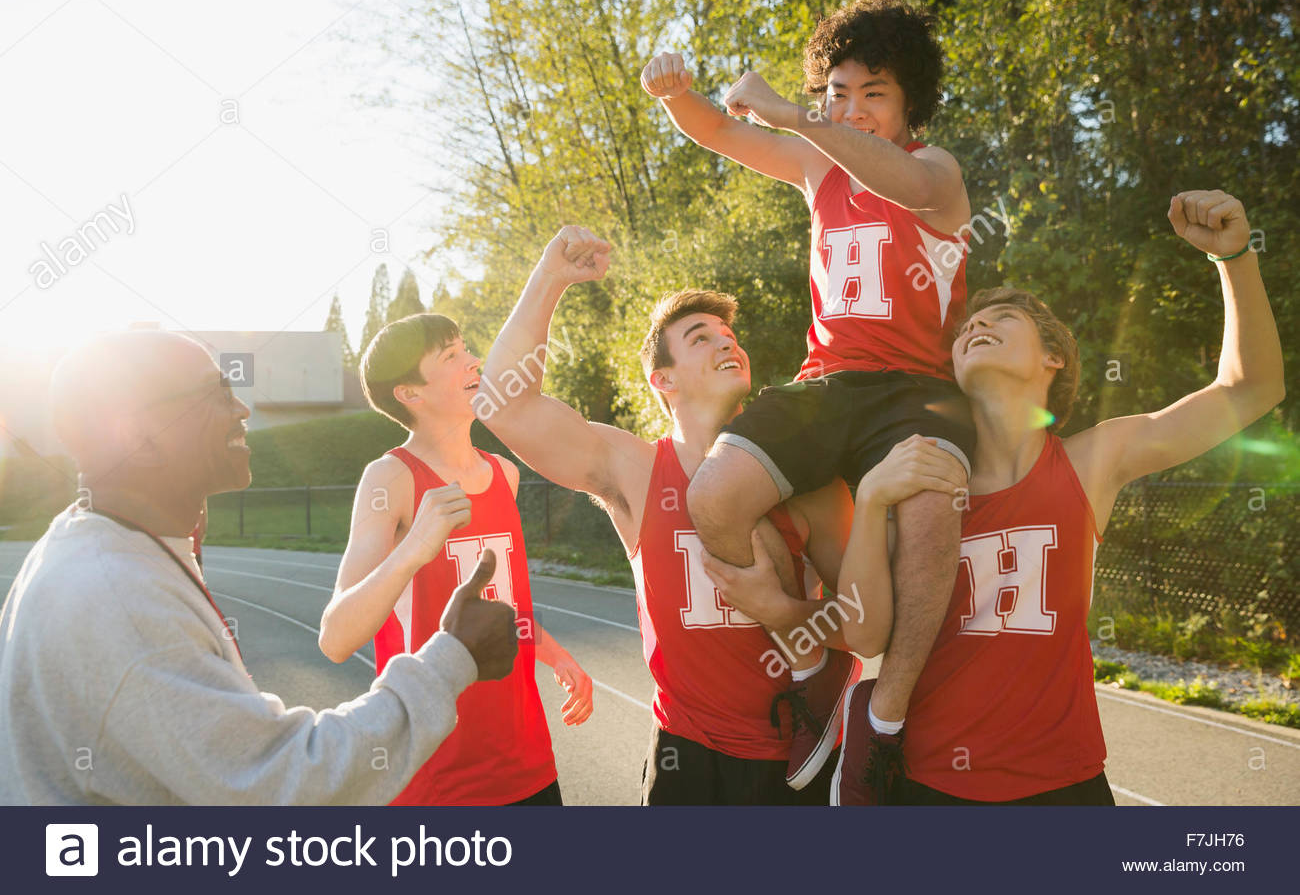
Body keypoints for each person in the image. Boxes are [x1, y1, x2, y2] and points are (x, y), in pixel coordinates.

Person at [705, 189, 1284, 804]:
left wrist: (1235, 258)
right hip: (923, 782)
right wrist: (872, 501)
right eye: (968, 326)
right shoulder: (914, 477)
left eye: (1003, 319)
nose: (978, 323)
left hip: (1063, 785)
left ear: (1054, 357)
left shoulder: (1092, 461)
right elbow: (866, 631)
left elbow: (1251, 389)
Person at [642, 0, 976, 796]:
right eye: (838, 92)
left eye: (873, 94)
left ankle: (882, 722)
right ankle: (812, 660)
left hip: (915, 390)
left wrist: (797, 113)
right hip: (828, 383)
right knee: (715, 496)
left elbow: (904, 184)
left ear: (908, 105)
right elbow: (719, 131)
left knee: (933, 519)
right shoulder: (816, 163)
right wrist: (675, 95)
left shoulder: (937, 172)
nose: (851, 110)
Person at [0, 330, 519, 804]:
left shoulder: (101, 547)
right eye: (217, 395)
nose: (242, 409)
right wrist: (452, 656)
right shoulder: (115, 598)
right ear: (139, 436)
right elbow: (283, 784)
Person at [478, 226, 882, 803]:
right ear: (661, 380)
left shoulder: (807, 481)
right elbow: (501, 402)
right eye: (701, 338)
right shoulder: (636, 470)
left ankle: (814, 681)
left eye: (728, 335)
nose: (727, 344)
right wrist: (551, 276)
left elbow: (868, 624)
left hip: (801, 756)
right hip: (686, 755)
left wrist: (784, 610)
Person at [318, 313, 592, 806]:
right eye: (451, 356)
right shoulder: (391, 478)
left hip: (525, 760)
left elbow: (498, 602)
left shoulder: (503, 473)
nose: (473, 361)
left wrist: (557, 655)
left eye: (466, 348)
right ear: (410, 393)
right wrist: (414, 547)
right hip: (437, 775)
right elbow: (336, 637)